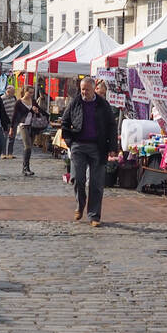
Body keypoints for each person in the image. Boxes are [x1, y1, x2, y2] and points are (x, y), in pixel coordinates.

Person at [59, 75, 118, 227]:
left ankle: (94, 215)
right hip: (78, 145)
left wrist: (113, 148)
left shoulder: (103, 104)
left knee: (97, 183)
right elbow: (65, 122)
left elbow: (112, 126)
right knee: (78, 179)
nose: (84, 92)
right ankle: (80, 204)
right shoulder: (75, 102)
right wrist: (69, 141)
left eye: (87, 90)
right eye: (82, 89)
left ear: (94, 90)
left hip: (98, 147)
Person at [14, 86, 45, 176]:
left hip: (32, 126)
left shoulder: (34, 101)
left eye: (32, 93)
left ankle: (26, 167)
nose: (31, 94)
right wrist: (12, 128)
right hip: (23, 126)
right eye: (30, 92)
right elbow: (15, 115)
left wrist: (37, 111)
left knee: (29, 148)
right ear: (25, 92)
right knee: (27, 146)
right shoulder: (19, 102)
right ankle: (25, 168)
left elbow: (40, 112)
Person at [2, 85, 19, 159]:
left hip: (13, 121)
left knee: (12, 137)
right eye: (13, 92)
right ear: (8, 91)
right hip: (5, 121)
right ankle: (3, 153)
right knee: (4, 138)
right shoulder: (2, 98)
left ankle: (10, 153)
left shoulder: (14, 97)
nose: (14, 93)